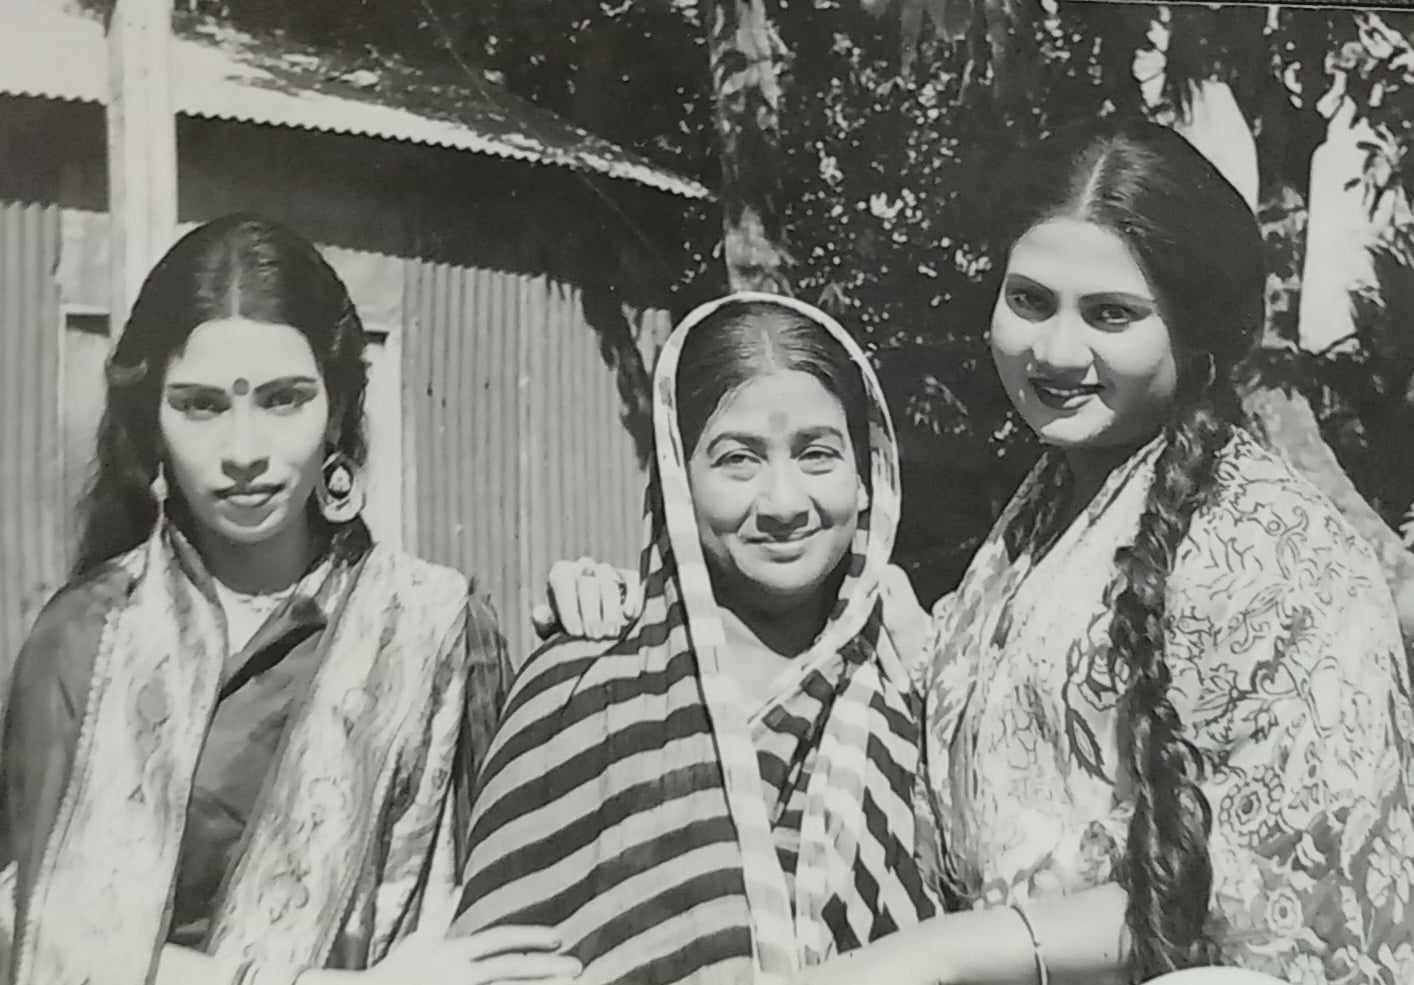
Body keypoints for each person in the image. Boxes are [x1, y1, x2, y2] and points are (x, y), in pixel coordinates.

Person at [548, 122, 1414, 985]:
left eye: (1110, 314)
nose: (1057, 351)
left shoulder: (1275, 551)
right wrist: (640, 603)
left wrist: (936, 953)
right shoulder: (1043, 512)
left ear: (1196, 335)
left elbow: (1273, 903)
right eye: (1030, 300)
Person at [0, 215, 579, 985]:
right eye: (202, 404)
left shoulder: (437, 628)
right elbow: (41, 940)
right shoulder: (87, 639)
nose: (243, 452)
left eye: (283, 399)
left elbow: (492, 925)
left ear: (336, 406)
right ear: (154, 421)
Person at [451, 293, 940, 984]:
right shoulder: (576, 678)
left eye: (818, 455)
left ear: (868, 474)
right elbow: (491, 961)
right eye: (739, 459)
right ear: (679, 478)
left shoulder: (916, 685)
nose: (782, 502)